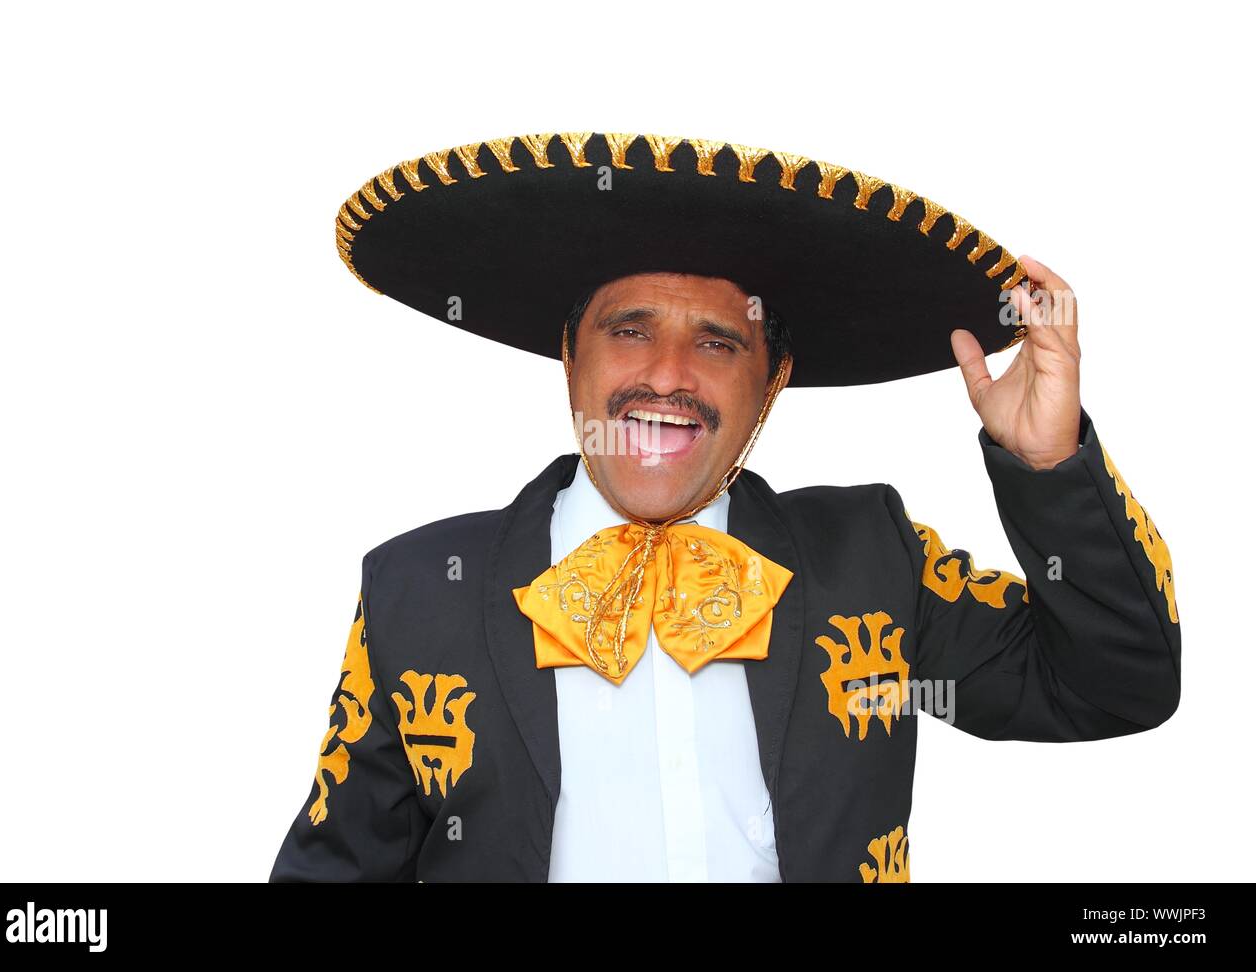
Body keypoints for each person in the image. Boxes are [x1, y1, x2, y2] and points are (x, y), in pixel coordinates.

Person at [269, 133, 1180, 882]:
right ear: (569, 357)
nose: (666, 377)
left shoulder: (872, 560)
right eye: (630, 331)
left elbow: (1117, 683)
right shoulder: (418, 591)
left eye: (716, 343)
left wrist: (1047, 464)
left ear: (773, 382)